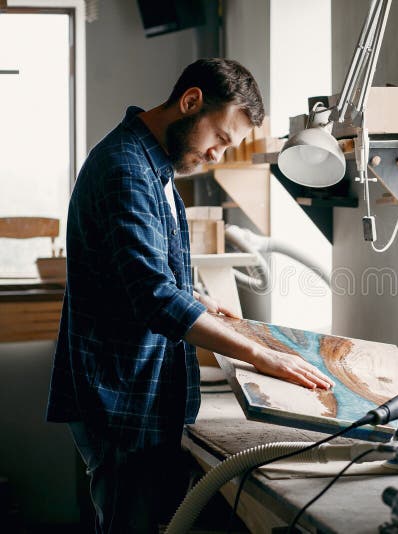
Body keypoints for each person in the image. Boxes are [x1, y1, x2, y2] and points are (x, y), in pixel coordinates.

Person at [46, 58, 334, 533]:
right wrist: (259, 356)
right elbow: (153, 297)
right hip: (122, 397)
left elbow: (145, 275)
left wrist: (196, 301)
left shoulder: (151, 166)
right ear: (192, 101)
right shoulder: (127, 169)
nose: (218, 155)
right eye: (220, 138)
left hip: (137, 394)